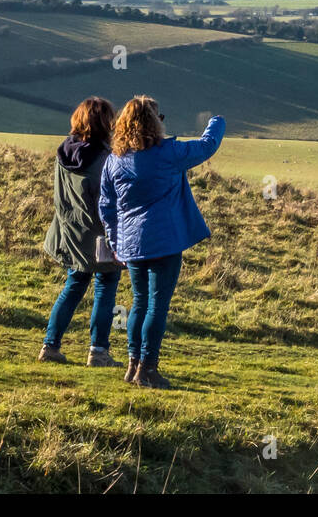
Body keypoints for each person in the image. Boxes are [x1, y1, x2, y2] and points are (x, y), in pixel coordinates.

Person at [100, 96, 225, 389]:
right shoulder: (169, 152)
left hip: (131, 243)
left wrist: (115, 240)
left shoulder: (114, 160)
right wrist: (216, 122)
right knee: (157, 306)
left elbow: (106, 205)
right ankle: (148, 369)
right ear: (154, 124)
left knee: (139, 303)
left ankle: (132, 366)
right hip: (164, 241)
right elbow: (207, 147)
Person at [39, 96, 121, 367]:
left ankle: (50, 345)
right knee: (105, 289)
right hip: (100, 236)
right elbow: (107, 202)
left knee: (73, 287)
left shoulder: (63, 152)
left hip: (71, 233)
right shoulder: (105, 160)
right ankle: (98, 351)